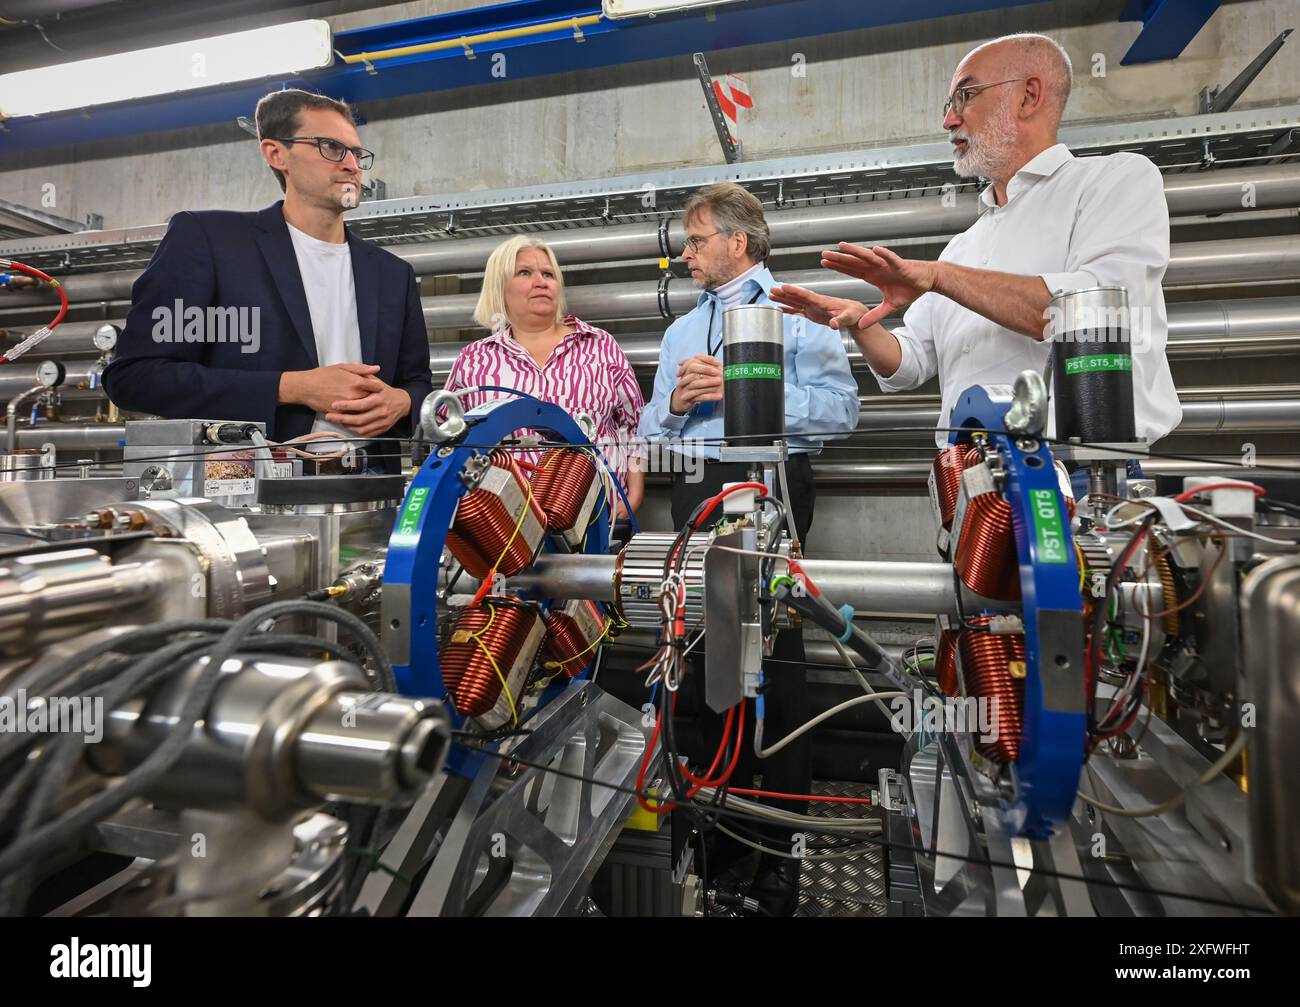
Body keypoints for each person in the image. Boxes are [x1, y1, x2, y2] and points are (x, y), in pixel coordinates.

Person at [770, 32, 1181, 484]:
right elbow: (909, 363)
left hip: (1078, 472)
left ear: (1028, 96)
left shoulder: (1112, 182)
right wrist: (859, 325)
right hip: (969, 479)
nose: (949, 120)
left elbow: (1096, 312)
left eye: (965, 95)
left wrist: (940, 277)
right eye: (949, 103)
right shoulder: (963, 246)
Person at [638, 182, 859, 916]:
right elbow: (651, 435)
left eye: (697, 240)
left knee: (773, 667)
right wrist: (672, 407)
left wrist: (744, 391)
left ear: (739, 242)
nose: (686, 252)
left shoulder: (797, 310)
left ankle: (776, 858)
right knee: (702, 661)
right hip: (697, 485)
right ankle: (712, 836)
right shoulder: (678, 334)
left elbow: (839, 412)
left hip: (770, 481)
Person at [103, 89, 432, 473]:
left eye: (356, 153)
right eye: (330, 147)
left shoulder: (393, 274)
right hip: (246, 491)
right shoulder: (213, 242)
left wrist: (403, 403)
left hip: (368, 493)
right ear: (276, 153)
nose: (351, 165)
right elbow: (138, 376)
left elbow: (417, 383)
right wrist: (291, 387)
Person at [442, 235, 645, 516]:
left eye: (548, 274)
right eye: (525, 272)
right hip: (502, 525)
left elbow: (634, 426)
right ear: (499, 287)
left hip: (599, 518)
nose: (541, 281)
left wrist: (633, 494)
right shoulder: (474, 360)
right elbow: (447, 438)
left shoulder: (599, 345)